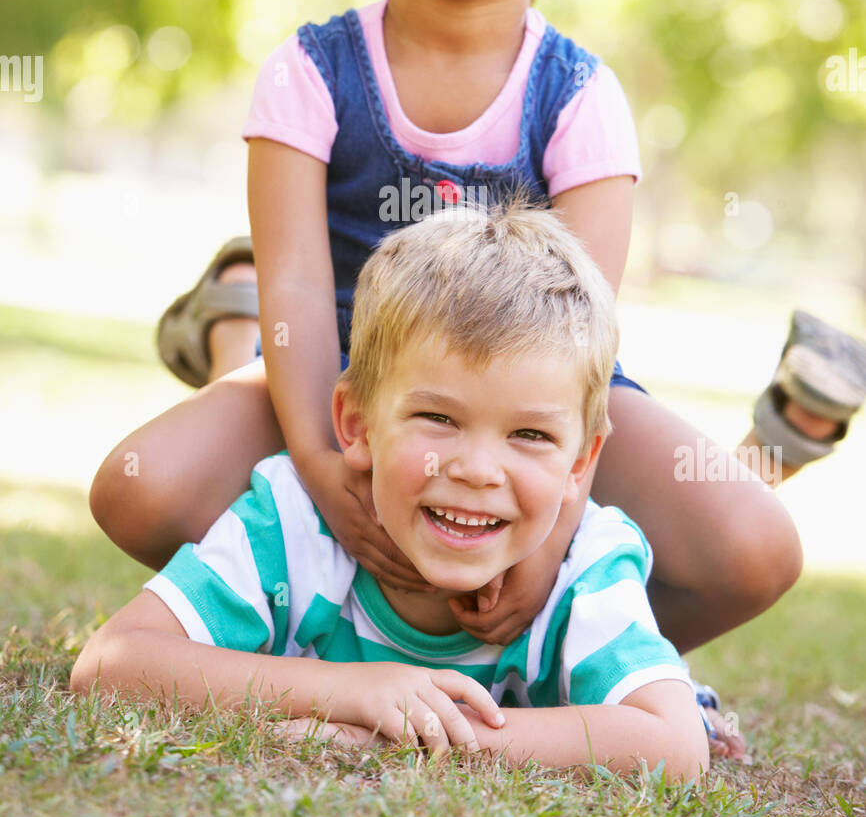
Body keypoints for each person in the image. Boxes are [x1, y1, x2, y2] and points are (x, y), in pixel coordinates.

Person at [89, 0, 866, 753]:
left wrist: (539, 559)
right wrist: (326, 472)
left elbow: (585, 343)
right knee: (136, 490)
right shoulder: (311, 73)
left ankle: (589, 658)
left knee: (753, 548)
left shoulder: (579, 96)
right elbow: (298, 293)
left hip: (535, 392)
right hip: (341, 369)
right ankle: (232, 335)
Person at [72, 198, 711, 781]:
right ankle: (234, 329)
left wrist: (414, 732)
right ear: (356, 426)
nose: (478, 471)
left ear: (582, 462)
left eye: (530, 435)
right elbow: (112, 664)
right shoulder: (295, 523)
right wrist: (356, 691)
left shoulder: (587, 564)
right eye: (439, 419)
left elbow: (675, 745)